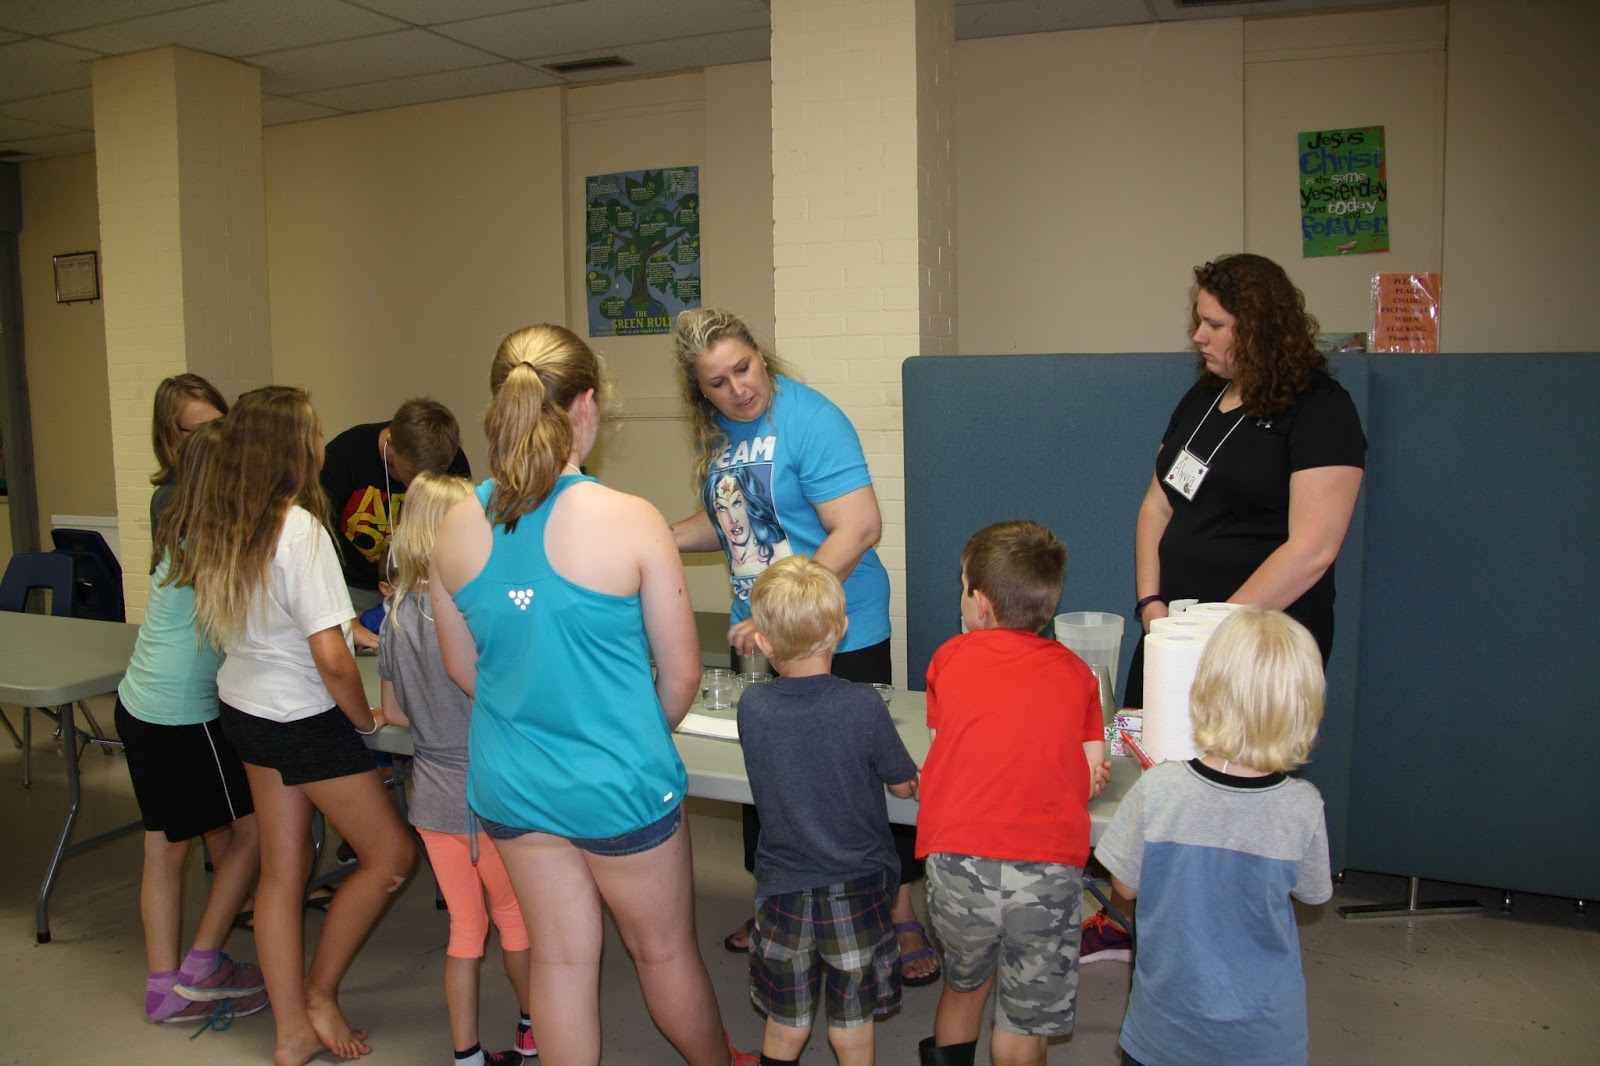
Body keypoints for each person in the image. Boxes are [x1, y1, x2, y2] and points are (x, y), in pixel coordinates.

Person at [430, 324, 756, 1066]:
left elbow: (462, 667)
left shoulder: (452, 525)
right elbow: (681, 675)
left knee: (560, 960)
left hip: (513, 782)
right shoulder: (631, 519)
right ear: (588, 404)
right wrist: (630, 734)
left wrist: (535, 715)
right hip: (616, 783)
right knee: (663, 952)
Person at [1089, 252, 1364, 965]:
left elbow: (1312, 548)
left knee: (1232, 792)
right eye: (1198, 320)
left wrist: (1212, 633)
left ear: (1260, 326)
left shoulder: (1321, 410)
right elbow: (1156, 507)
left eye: (1215, 324)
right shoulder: (1204, 400)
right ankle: (1137, 921)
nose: (1199, 336)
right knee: (1155, 776)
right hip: (1176, 633)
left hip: (1254, 645)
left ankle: (1219, 940)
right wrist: (1153, 607)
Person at [666, 308, 938, 987]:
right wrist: (657, 537)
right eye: (717, 382)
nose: (738, 389)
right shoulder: (721, 433)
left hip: (834, 627)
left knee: (867, 774)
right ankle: (779, 902)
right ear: (700, 390)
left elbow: (859, 526)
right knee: (773, 773)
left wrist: (783, 611)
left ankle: (901, 908)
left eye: (744, 368)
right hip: (759, 629)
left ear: (762, 355)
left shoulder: (811, 419)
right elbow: (735, 520)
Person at [171, 385, 417, 1066]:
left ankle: (291, 1031)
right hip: (301, 720)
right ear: (291, 448)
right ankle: (319, 995)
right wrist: (364, 720)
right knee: (391, 859)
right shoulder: (300, 527)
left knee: (284, 870)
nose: (321, 444)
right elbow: (331, 660)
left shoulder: (225, 519)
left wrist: (345, 634)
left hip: (245, 709)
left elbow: (282, 619)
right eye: (313, 432)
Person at [1095, 608, 1333, 1066]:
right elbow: (1313, 892)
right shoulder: (1303, 806)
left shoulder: (1159, 788)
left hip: (1164, 1030)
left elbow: (1124, 885)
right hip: (1264, 1039)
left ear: (1203, 690)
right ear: (1305, 710)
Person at [915, 521, 1109, 1066]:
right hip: (1045, 870)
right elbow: (1093, 771)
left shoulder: (948, 659)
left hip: (956, 865)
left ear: (980, 604)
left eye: (962, 587)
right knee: (1023, 1025)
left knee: (964, 987)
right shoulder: (1079, 674)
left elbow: (947, 748)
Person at [377, 472, 536, 1066]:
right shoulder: (469, 612)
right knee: (515, 919)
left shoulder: (394, 616)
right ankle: (533, 1029)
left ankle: (466, 1055)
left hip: (432, 800)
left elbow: (396, 713)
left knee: (465, 932)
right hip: (489, 792)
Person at [736, 556, 919, 1066]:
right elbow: (903, 784)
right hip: (857, 888)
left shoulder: (752, 706)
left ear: (764, 643)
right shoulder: (863, 705)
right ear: (841, 629)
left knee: (786, 1027)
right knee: (851, 1031)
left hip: (782, 891)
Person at [119, 416, 267, 1029]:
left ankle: (163, 987)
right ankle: (202, 963)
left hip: (138, 704)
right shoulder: (221, 547)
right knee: (255, 832)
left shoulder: (176, 531)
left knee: (163, 847)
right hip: (185, 717)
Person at [320, 397, 472, 648]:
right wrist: (343, 616)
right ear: (392, 446)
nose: (419, 485)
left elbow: (460, 532)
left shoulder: (451, 460)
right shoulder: (344, 457)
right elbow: (318, 542)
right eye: (413, 473)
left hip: (418, 589)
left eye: (432, 477)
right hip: (349, 588)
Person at [148, 372, 228, 528]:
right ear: (172, 436)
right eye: (201, 429)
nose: (216, 435)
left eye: (221, 423)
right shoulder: (169, 498)